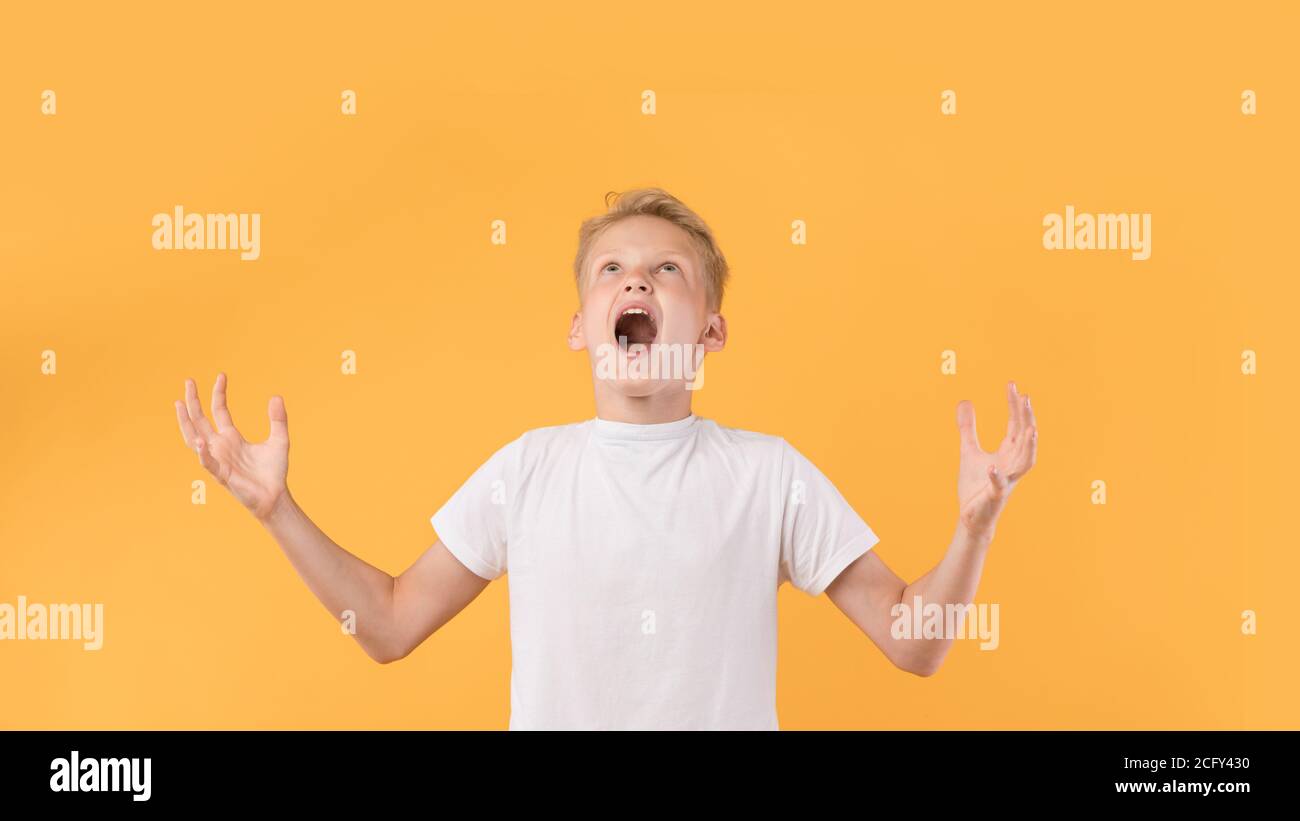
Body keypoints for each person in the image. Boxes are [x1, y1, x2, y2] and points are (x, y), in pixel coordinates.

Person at [173, 187, 1038, 729]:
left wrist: (972, 530)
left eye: (667, 270)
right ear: (581, 328)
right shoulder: (528, 470)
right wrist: (276, 510)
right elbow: (390, 625)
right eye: (612, 270)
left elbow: (912, 645)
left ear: (711, 330)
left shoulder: (770, 476)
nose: (637, 283)